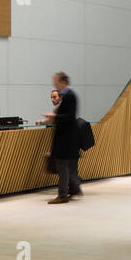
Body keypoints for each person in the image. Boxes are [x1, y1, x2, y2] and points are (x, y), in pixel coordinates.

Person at [45, 72, 82, 203]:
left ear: (63, 82)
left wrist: (55, 116)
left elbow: (69, 116)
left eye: (56, 82)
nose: (54, 84)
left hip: (65, 138)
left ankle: (62, 195)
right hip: (67, 138)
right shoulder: (68, 95)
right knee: (67, 166)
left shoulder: (69, 96)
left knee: (62, 166)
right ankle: (74, 189)